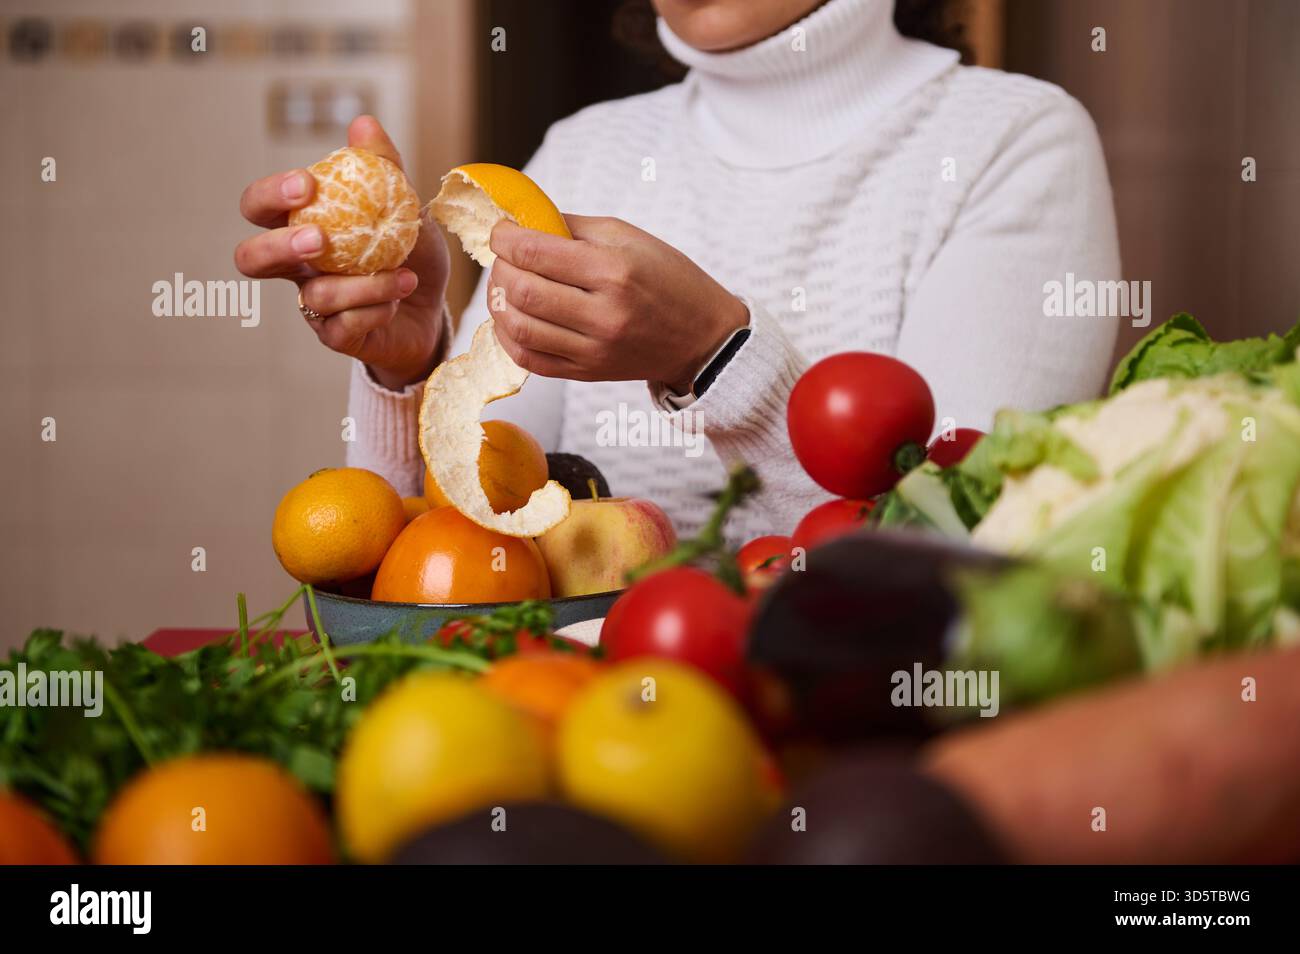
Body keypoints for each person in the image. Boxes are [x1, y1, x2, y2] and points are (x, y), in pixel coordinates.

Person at [235, 0, 1120, 541]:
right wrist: (411, 366)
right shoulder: (583, 150)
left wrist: (716, 360)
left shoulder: (1015, 141)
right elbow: (459, 549)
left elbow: (959, 551)